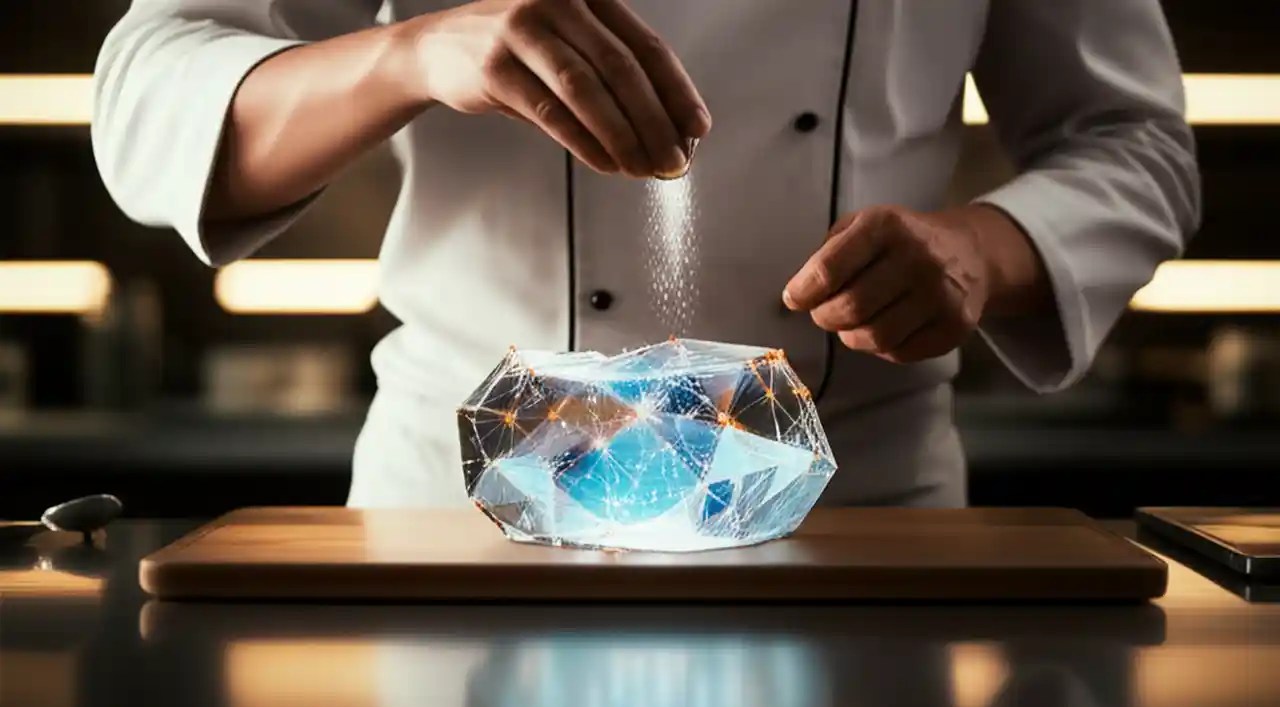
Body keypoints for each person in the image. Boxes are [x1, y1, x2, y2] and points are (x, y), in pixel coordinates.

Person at [92, 0, 1200, 509]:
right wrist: (407, 53)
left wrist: (980, 250)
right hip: (458, 520)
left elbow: (1134, 142)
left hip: (857, 522)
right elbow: (149, 91)